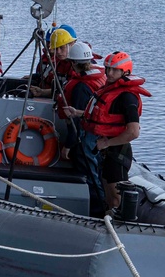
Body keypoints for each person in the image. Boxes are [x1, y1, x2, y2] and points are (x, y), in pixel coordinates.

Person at [81, 51, 152, 212]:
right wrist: (78, 113)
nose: (109, 73)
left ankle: (116, 227)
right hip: (106, 150)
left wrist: (107, 143)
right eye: (107, 69)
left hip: (117, 152)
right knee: (108, 195)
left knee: (115, 198)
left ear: (125, 72)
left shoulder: (127, 97)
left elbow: (133, 132)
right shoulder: (111, 91)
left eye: (114, 70)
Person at [58, 41, 108, 214]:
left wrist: (68, 145)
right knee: (95, 173)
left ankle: (96, 211)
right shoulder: (100, 78)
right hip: (98, 134)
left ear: (73, 63)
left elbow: (77, 121)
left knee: (89, 175)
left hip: (87, 138)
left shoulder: (81, 87)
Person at [29, 27, 76, 97]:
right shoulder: (57, 63)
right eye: (56, 49)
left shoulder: (76, 66)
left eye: (62, 47)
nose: (58, 52)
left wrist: (43, 92)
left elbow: (69, 90)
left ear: (71, 45)